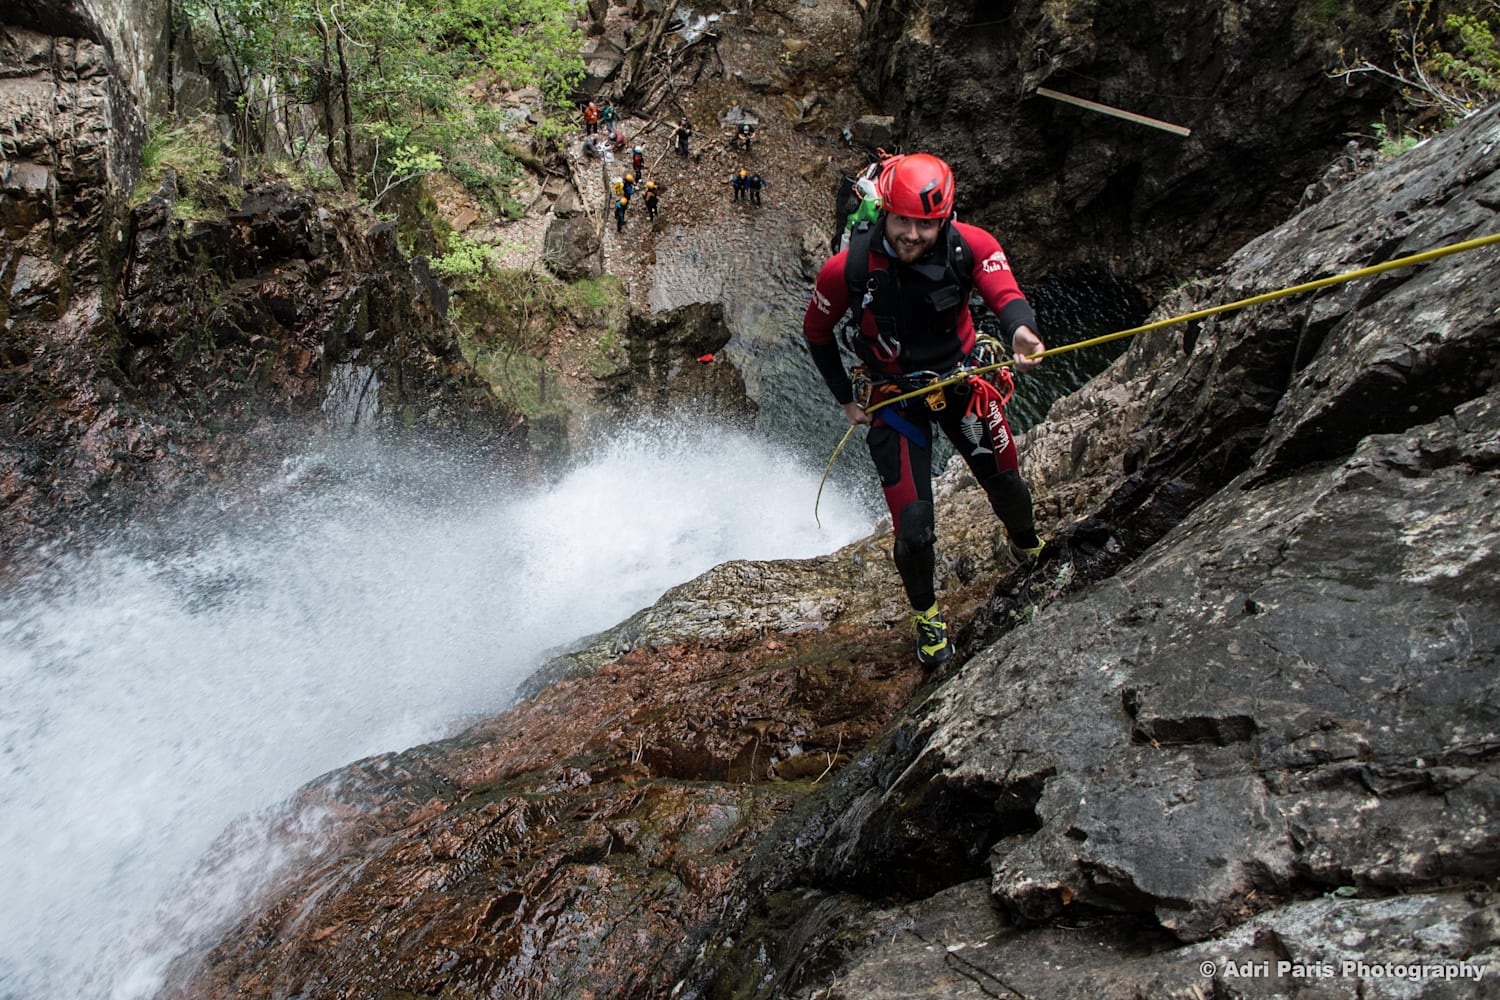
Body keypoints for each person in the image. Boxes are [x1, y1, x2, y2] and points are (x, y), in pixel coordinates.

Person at [802, 152, 1047, 668]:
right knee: (914, 527)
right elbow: (817, 334)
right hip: (896, 401)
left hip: (960, 382)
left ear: (945, 220)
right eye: (901, 220)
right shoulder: (847, 269)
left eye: (925, 223)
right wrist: (846, 399)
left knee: (1006, 483)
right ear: (884, 212)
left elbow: (1005, 293)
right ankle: (927, 616)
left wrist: (1021, 332)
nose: (911, 233)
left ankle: (1027, 547)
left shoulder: (969, 246)